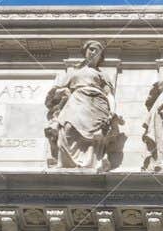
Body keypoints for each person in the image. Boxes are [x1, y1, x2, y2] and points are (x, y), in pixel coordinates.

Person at [45, 40, 119, 169]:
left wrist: (112, 111)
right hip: (77, 100)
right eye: (91, 49)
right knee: (68, 127)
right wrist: (62, 91)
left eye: (97, 51)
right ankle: (68, 162)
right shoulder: (74, 72)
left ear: (101, 56)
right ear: (85, 52)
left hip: (97, 103)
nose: (93, 52)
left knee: (95, 134)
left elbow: (109, 95)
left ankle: (91, 162)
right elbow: (56, 92)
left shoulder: (102, 74)